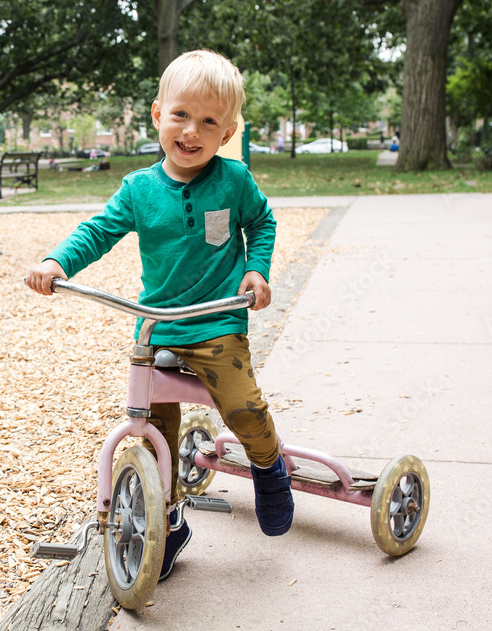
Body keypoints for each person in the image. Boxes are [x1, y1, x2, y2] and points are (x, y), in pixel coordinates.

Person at [25, 50, 292, 582]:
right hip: (158, 326)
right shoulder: (140, 190)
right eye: (180, 116)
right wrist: (57, 261)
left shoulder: (233, 180)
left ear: (227, 131)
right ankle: (167, 522)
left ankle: (268, 466)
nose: (191, 131)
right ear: (157, 114)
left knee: (242, 409)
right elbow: (98, 231)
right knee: (155, 432)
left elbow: (262, 222)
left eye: (209, 121)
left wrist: (256, 271)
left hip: (217, 320)